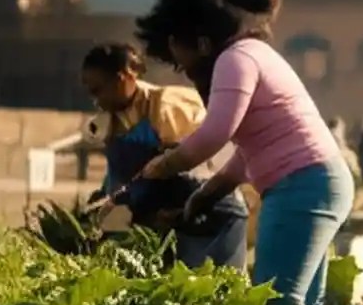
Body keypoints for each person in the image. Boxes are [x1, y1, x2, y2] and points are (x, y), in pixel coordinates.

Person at [133, 0, 355, 305]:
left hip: (301, 188)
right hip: (321, 183)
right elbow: (250, 149)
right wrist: (208, 193)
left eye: (179, 57)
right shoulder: (251, 53)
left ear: (201, 42)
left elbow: (215, 134)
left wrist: (165, 164)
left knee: (277, 304)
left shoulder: (235, 60)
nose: (182, 70)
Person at [80, 43, 249, 270]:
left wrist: (176, 208)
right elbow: (121, 176)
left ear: (122, 78)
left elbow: (198, 164)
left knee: (210, 287)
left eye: (98, 90)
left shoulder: (166, 105)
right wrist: (104, 198)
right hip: (158, 220)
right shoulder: (108, 122)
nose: (95, 100)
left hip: (206, 215)